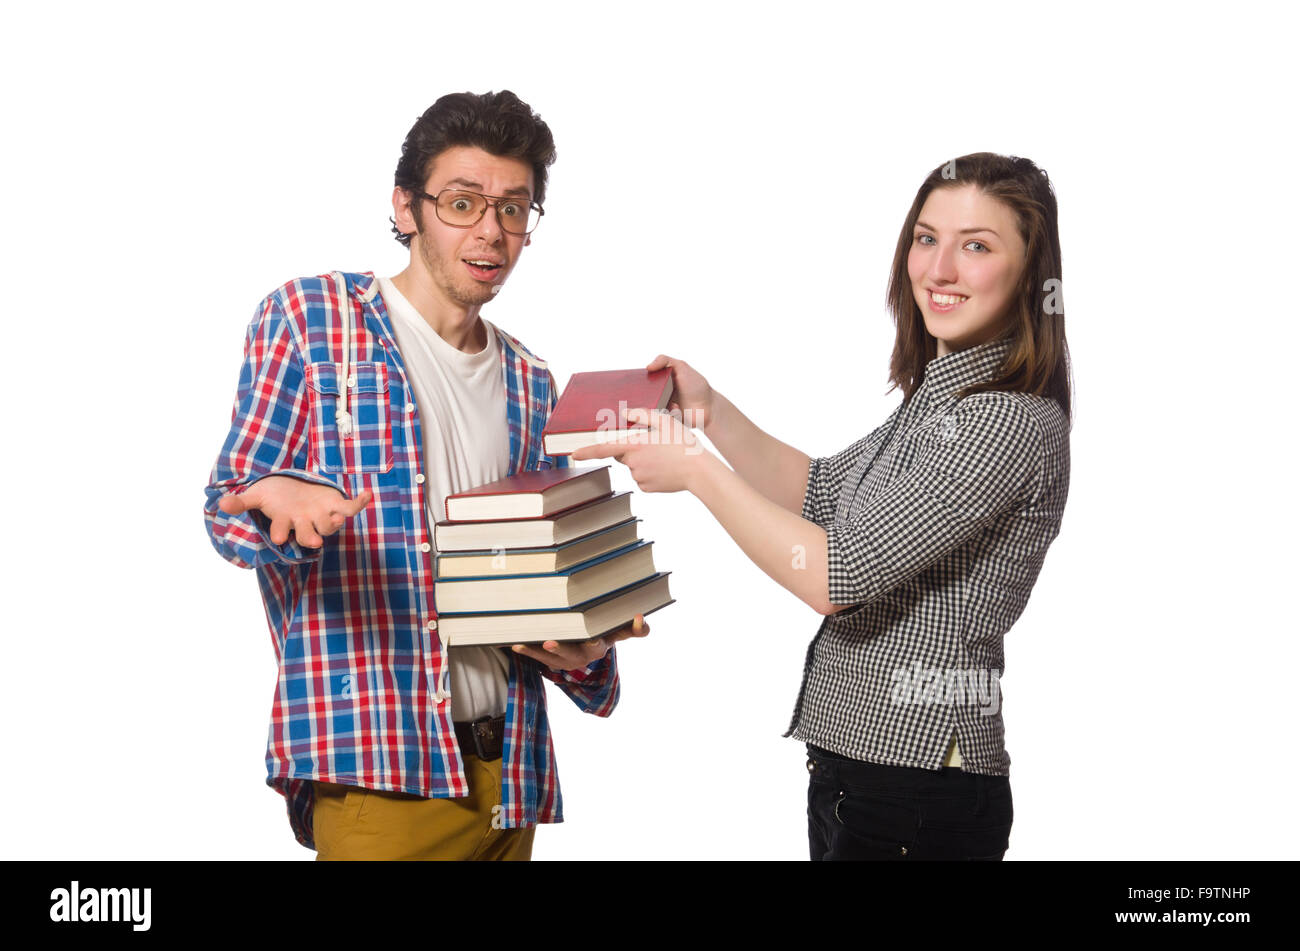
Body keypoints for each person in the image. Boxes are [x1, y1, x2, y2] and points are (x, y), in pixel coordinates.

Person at [575, 152, 1070, 860]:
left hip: (919, 784)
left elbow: (838, 574)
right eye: (927, 239)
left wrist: (695, 472)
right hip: (864, 775)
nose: (940, 269)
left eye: (978, 246)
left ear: (1030, 278)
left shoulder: (1002, 420)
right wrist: (710, 412)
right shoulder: (942, 397)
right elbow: (824, 492)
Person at [204, 90, 647, 861]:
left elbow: (544, 581)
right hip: (383, 776)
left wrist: (588, 647)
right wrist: (276, 501)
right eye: (463, 202)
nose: (490, 232)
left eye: (514, 209)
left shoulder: (532, 382)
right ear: (406, 208)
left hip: (510, 773)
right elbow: (228, 510)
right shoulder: (313, 319)